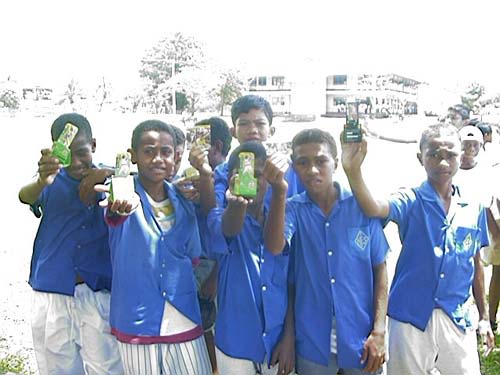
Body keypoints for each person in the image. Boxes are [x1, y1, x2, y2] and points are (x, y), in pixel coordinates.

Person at [342, 122, 495, 374]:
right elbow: (375, 207)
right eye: (433, 154)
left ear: (461, 156)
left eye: (450, 155)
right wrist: (353, 171)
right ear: (420, 158)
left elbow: (475, 263)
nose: (443, 162)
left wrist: (483, 317)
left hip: (455, 315)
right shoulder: (410, 200)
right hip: (410, 316)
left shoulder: (473, 206)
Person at [264, 128, 389, 375]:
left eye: (321, 161)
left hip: (361, 339)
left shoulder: (360, 207)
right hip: (312, 340)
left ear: (336, 163)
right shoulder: (292, 210)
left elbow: (380, 270)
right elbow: (275, 247)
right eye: (302, 163)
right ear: (294, 167)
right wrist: (278, 189)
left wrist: (379, 330)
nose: (312, 170)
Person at [100, 120, 212, 375]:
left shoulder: (183, 201)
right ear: (134, 156)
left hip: (183, 314)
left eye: (166, 152)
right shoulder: (122, 194)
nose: (158, 159)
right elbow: (115, 212)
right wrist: (117, 207)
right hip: (138, 317)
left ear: (176, 157)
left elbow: (193, 257)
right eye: (149, 151)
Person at [18, 113, 123, 375]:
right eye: (68, 154)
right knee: (57, 367)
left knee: (106, 367)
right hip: (53, 290)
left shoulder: (113, 182)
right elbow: (25, 195)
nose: (76, 162)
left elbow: (141, 178)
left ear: (94, 145)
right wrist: (43, 180)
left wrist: (106, 172)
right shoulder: (51, 179)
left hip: (96, 292)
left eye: (83, 152)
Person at [207, 141, 294, 375]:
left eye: (258, 175)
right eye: (243, 174)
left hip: (276, 345)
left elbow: (290, 283)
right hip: (235, 347)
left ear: (268, 180)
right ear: (229, 178)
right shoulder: (220, 216)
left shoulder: (283, 219)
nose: (251, 182)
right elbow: (229, 228)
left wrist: (289, 339)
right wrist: (236, 203)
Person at [214, 94, 304, 208]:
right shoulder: (223, 172)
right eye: (243, 124)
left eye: (260, 123)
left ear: (271, 131)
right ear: (233, 132)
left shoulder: (288, 169)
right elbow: (215, 209)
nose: (252, 130)